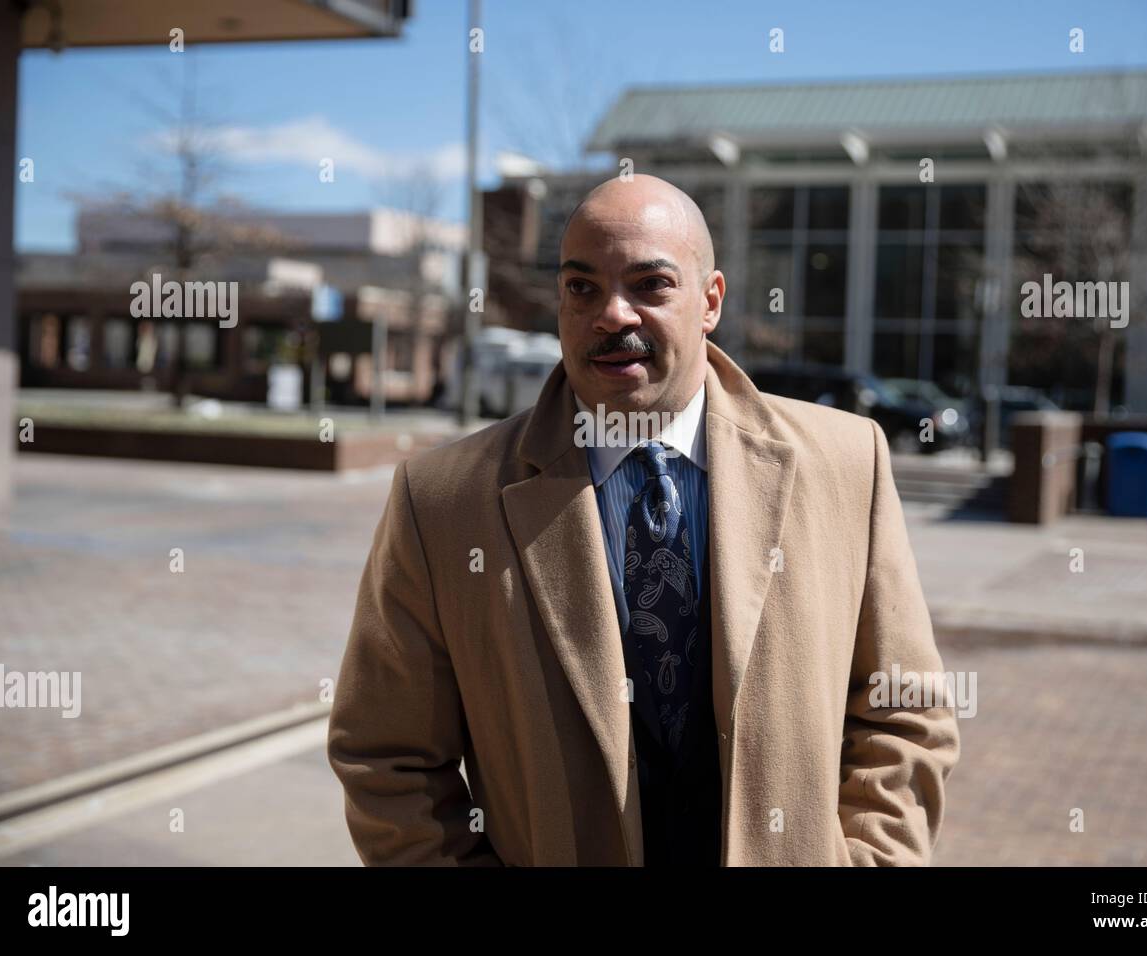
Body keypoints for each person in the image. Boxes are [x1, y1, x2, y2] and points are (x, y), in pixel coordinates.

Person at [327, 173, 960, 866]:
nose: (612, 315)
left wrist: (871, 858)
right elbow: (386, 754)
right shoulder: (443, 499)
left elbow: (904, 710)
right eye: (583, 288)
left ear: (709, 301)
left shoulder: (845, 462)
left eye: (650, 284)